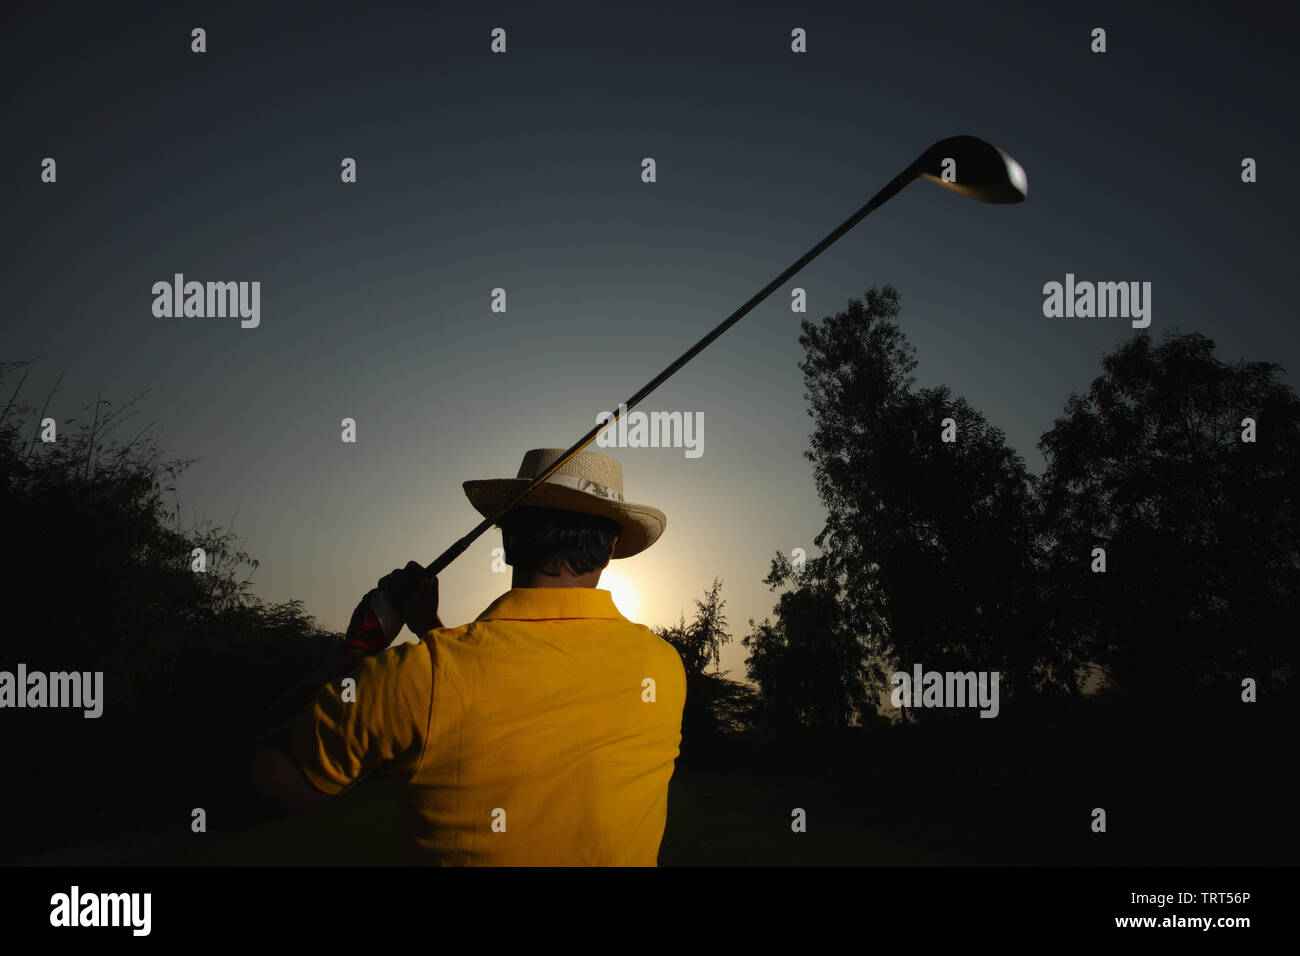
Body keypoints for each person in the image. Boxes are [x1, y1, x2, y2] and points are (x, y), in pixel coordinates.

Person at [214, 448, 687, 866]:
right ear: (610, 548)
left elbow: (230, 794)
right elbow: (508, 704)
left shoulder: (416, 677)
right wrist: (429, 630)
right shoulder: (665, 670)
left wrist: (356, 652)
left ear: (507, 540)